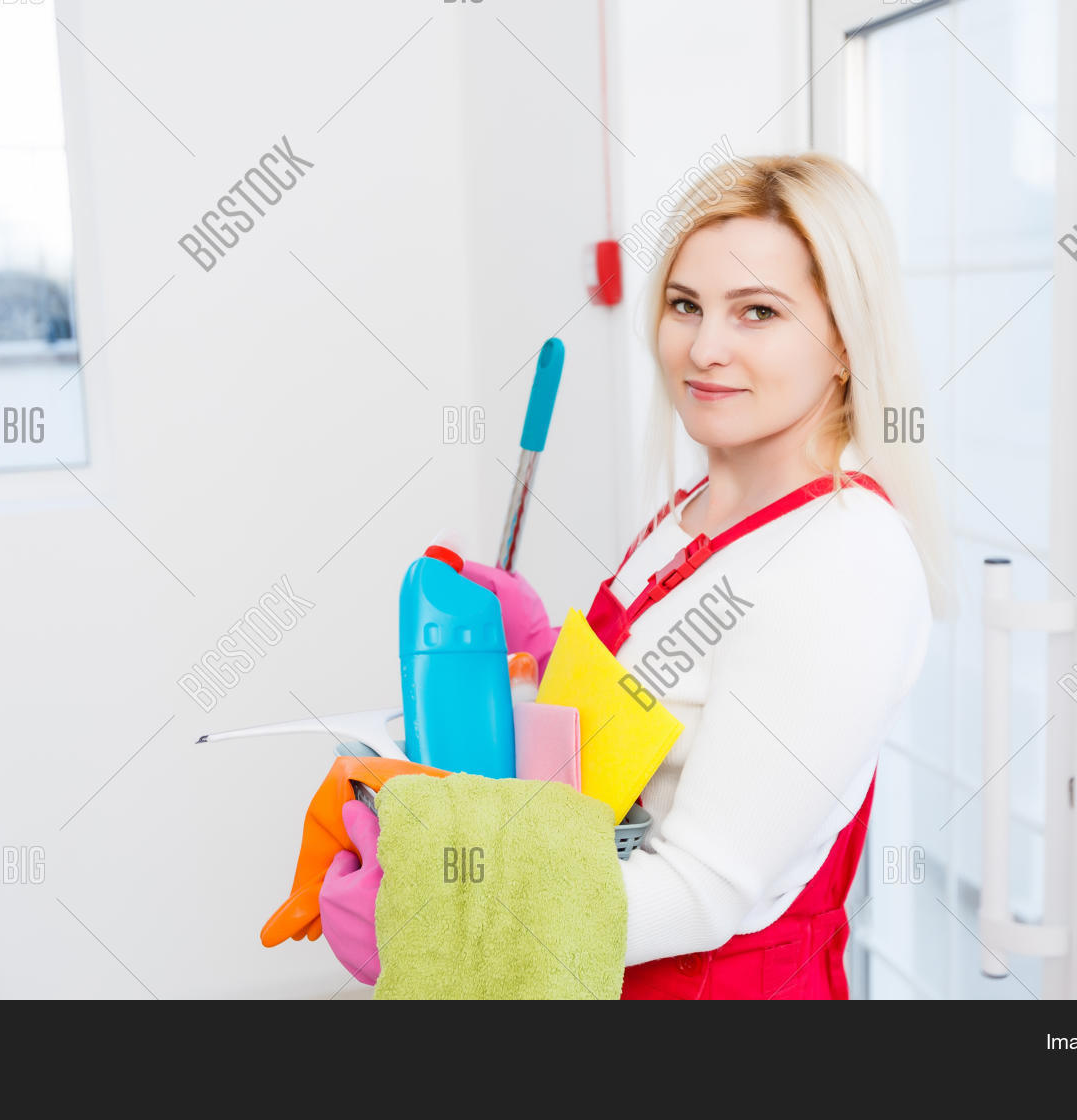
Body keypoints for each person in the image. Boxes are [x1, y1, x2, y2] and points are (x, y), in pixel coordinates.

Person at [326, 152, 955, 999]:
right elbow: (656, 740)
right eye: (685, 305)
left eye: (758, 312)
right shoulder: (689, 512)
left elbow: (705, 890)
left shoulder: (843, 563)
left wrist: (439, 907)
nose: (704, 348)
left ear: (845, 339)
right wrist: (543, 658)